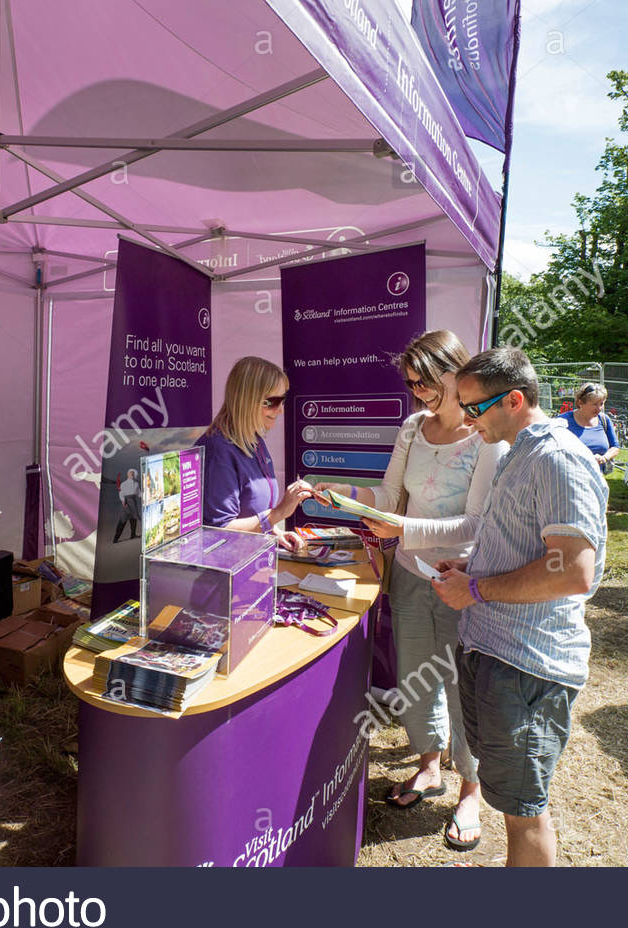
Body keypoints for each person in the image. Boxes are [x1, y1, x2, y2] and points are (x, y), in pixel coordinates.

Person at [313, 330, 507, 852]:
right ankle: (429, 765)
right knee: (413, 677)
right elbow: (387, 495)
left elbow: (476, 523)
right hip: (407, 573)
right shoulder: (413, 427)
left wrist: (405, 530)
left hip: (458, 580)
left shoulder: (487, 435)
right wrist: (346, 498)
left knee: (461, 687)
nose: (418, 392)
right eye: (411, 384)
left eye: (426, 381)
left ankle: (470, 789)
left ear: (456, 371)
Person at [431, 347, 608, 867]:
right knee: (511, 800)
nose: (465, 419)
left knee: (524, 812)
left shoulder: (555, 457)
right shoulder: (520, 451)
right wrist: (472, 575)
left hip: (526, 666)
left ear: (513, 399)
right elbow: (526, 548)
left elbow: (573, 569)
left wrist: (477, 590)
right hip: (499, 655)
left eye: (473, 407)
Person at [197, 356, 311, 550]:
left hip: (250, 561)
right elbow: (219, 530)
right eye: (273, 402)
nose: (280, 410)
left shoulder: (252, 439)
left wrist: (274, 532)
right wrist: (278, 513)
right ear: (247, 400)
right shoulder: (219, 451)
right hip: (225, 572)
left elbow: (250, 512)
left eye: (283, 400)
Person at [558, 382, 620, 474]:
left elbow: (615, 447)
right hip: (568, 477)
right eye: (594, 404)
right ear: (580, 403)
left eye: (601, 404)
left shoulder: (604, 420)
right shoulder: (562, 421)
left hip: (597, 478)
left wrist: (604, 458)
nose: (599, 408)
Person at [112, 468, 140, 542]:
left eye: (133, 473)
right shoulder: (123, 484)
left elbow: (139, 493)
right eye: (130, 473)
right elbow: (121, 493)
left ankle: (133, 535)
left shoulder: (136, 484)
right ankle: (116, 538)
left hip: (133, 502)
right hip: (126, 502)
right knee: (122, 520)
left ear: (135, 475)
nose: (131, 475)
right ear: (127, 474)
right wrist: (123, 501)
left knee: (133, 519)